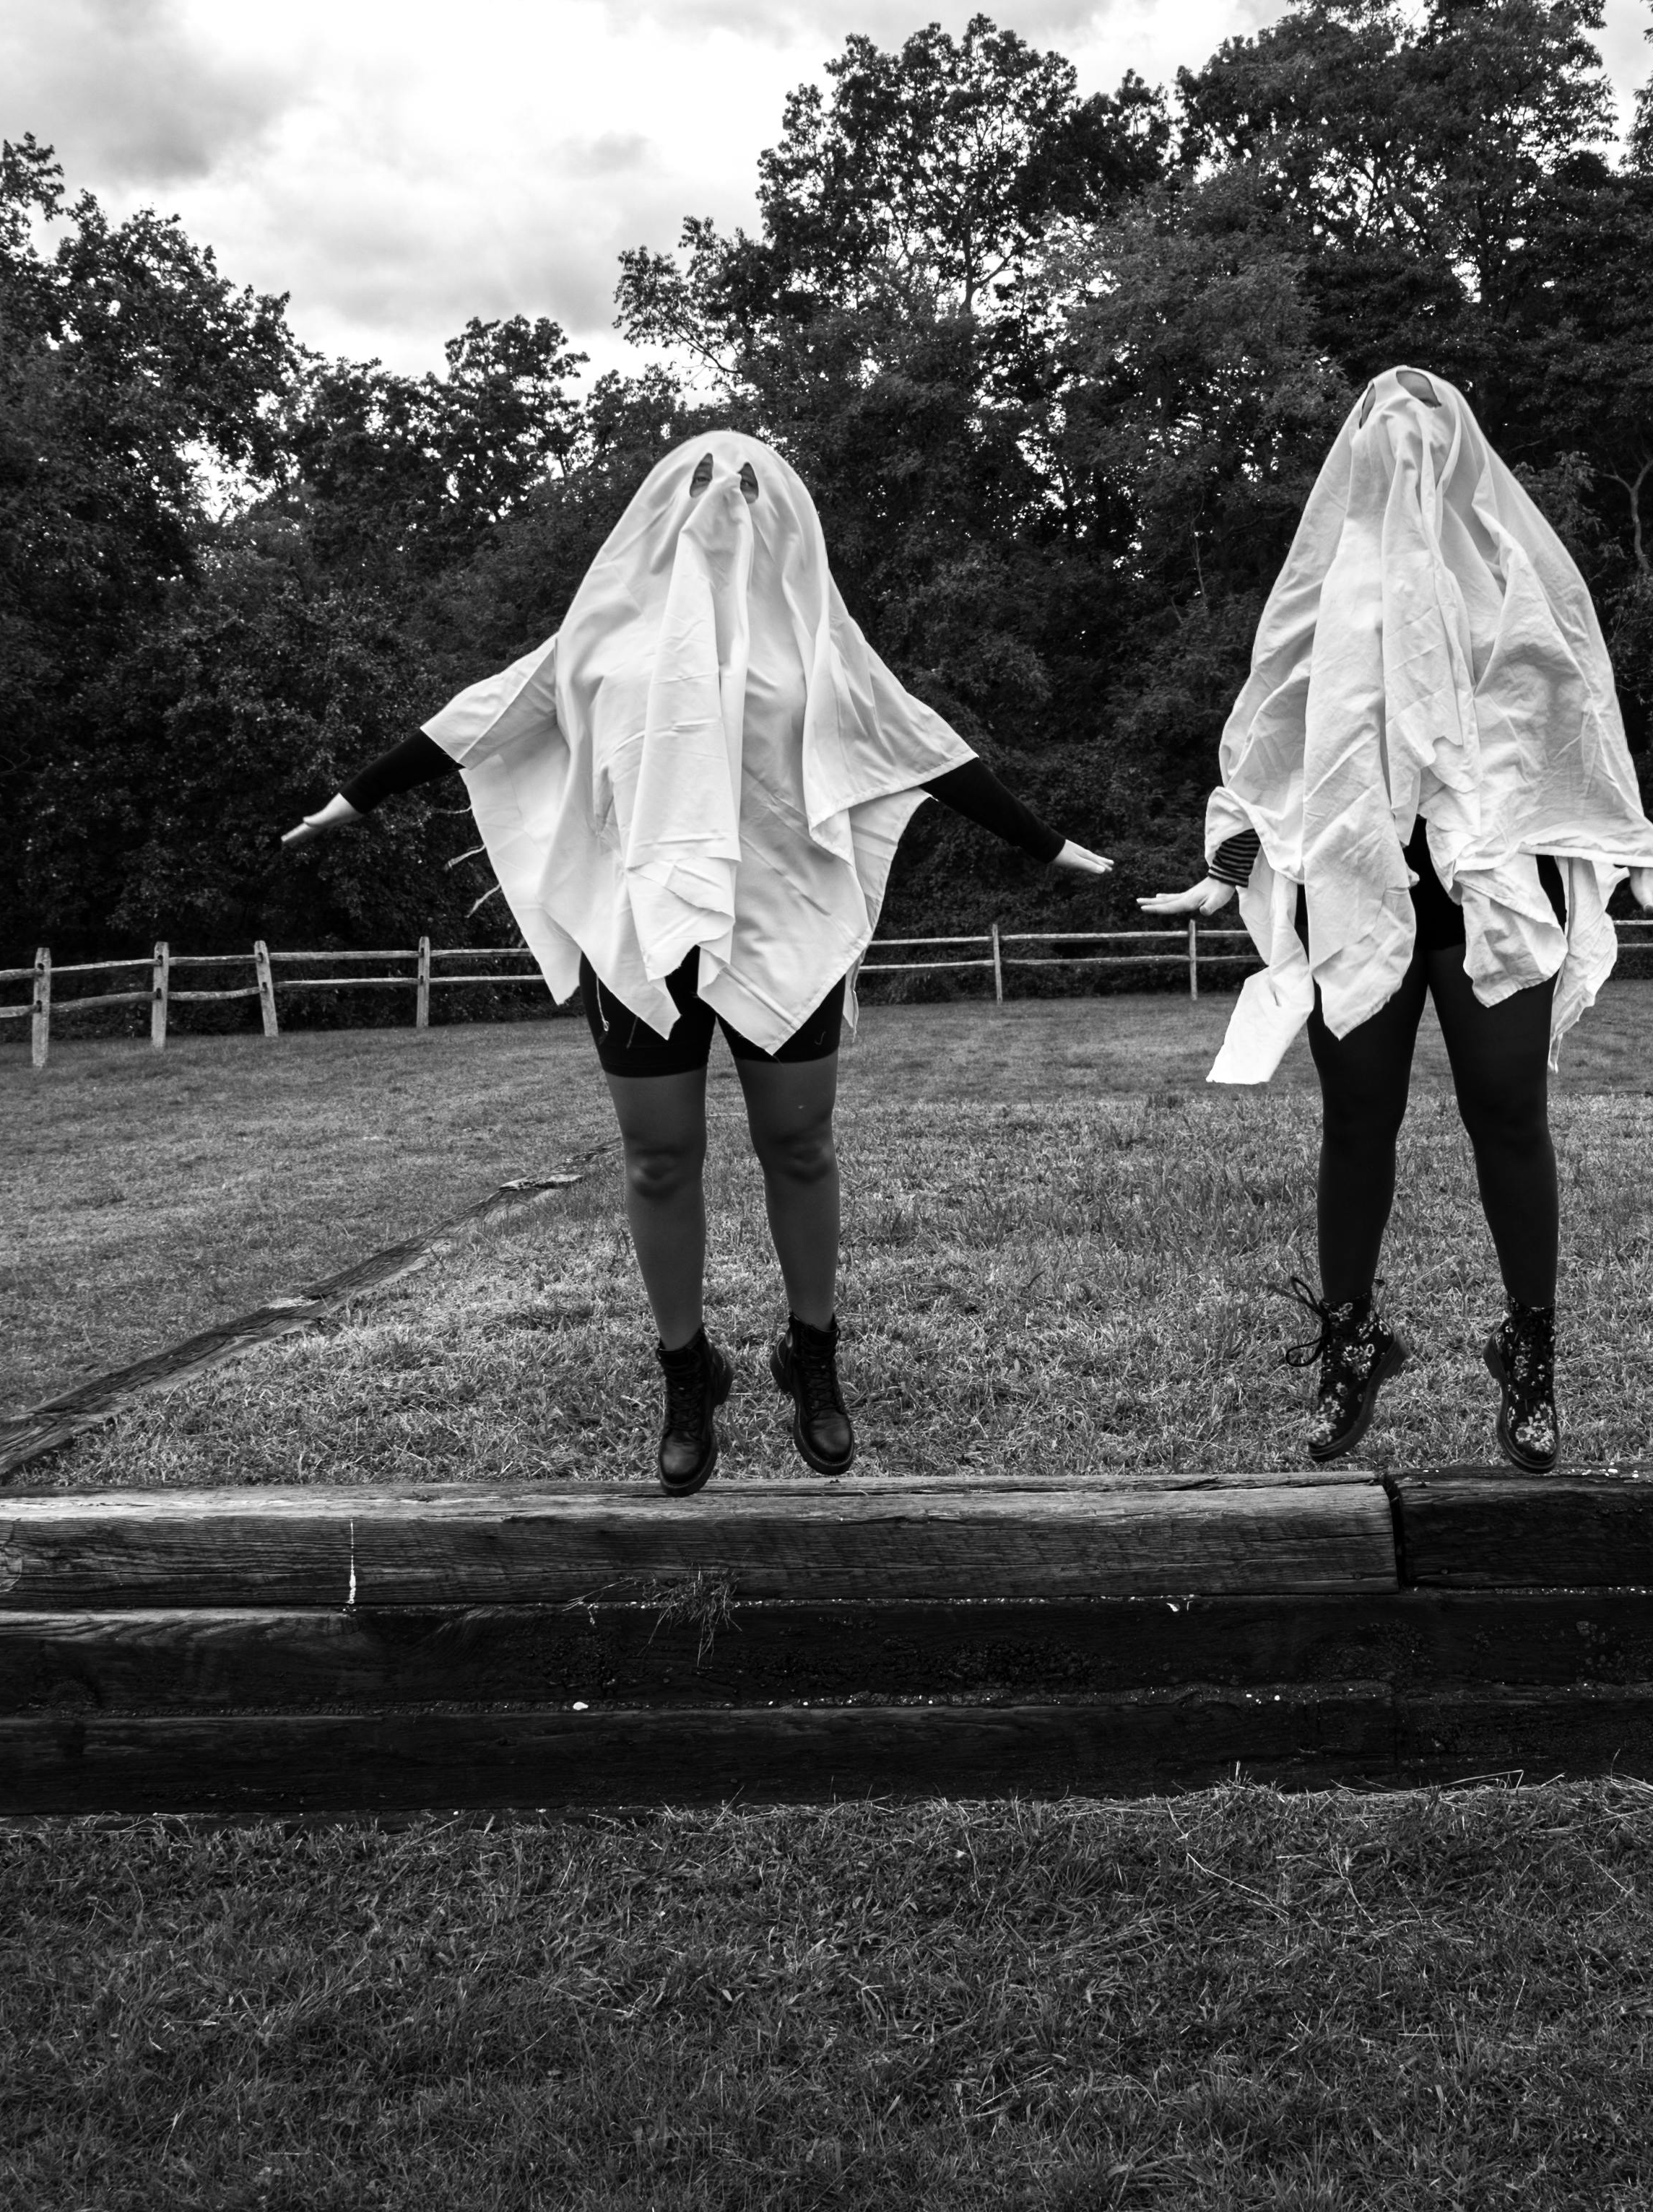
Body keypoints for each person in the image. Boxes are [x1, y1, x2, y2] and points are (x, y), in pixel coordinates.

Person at [286, 430, 1111, 1495]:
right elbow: (477, 722)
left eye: (753, 482)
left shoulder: (817, 643)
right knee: (659, 1158)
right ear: (660, 504)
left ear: (787, 510)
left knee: (799, 1142)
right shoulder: (600, 641)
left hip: (779, 923)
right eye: (704, 478)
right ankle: (689, 1372)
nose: (727, 497)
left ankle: (811, 1358)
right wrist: (352, 799)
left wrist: (1047, 844)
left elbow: (923, 746)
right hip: (641, 933)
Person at [1140, 369, 1653, 1475]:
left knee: (1508, 1111)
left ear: (1460, 451)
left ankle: (1532, 1350)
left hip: (1493, 885)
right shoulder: (1324, 591)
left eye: (1427, 435)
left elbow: (1574, 723)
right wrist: (1228, 866)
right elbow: (1271, 736)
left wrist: (1627, 857)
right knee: (1359, 1117)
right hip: (1358, 882)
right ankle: (1352, 1346)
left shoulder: (1514, 576)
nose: (1406, 456)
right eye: (1385, 436)